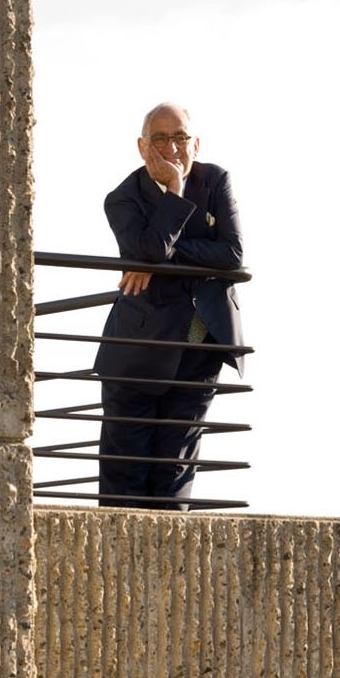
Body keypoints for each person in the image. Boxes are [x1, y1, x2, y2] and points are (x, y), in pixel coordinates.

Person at [94, 102, 245, 507]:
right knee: (126, 472)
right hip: (138, 348)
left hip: (199, 344)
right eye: (160, 139)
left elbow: (231, 254)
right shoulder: (122, 199)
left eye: (180, 137)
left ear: (196, 142)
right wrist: (174, 192)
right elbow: (145, 250)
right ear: (143, 148)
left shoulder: (215, 181)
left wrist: (161, 257)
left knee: (174, 470)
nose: (172, 147)